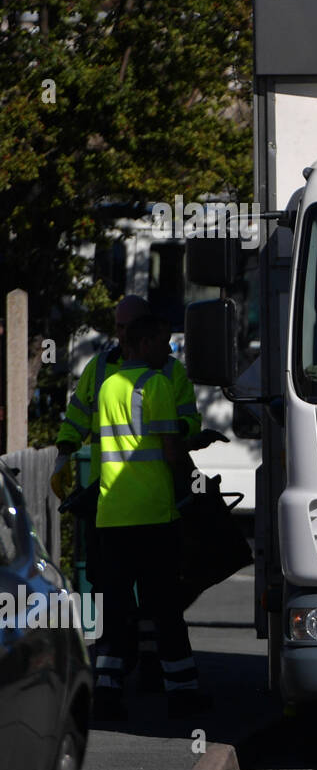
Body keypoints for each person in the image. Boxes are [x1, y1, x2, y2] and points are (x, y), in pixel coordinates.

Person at [52, 295, 224, 689]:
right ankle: (170, 682)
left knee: (127, 594)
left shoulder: (156, 375)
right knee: (147, 593)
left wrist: (187, 437)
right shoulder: (109, 371)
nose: (120, 333)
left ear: (140, 329)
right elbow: (79, 414)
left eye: (125, 326)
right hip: (124, 500)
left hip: (115, 503)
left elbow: (186, 419)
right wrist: (64, 449)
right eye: (116, 326)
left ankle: (125, 674)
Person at [91, 314, 209, 721]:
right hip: (154, 516)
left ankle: (106, 691)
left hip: (111, 517)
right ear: (142, 345)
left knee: (115, 608)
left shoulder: (107, 387)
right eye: (163, 342)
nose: (169, 351)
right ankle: (183, 693)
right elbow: (172, 453)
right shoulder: (155, 385)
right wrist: (193, 489)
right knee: (165, 607)